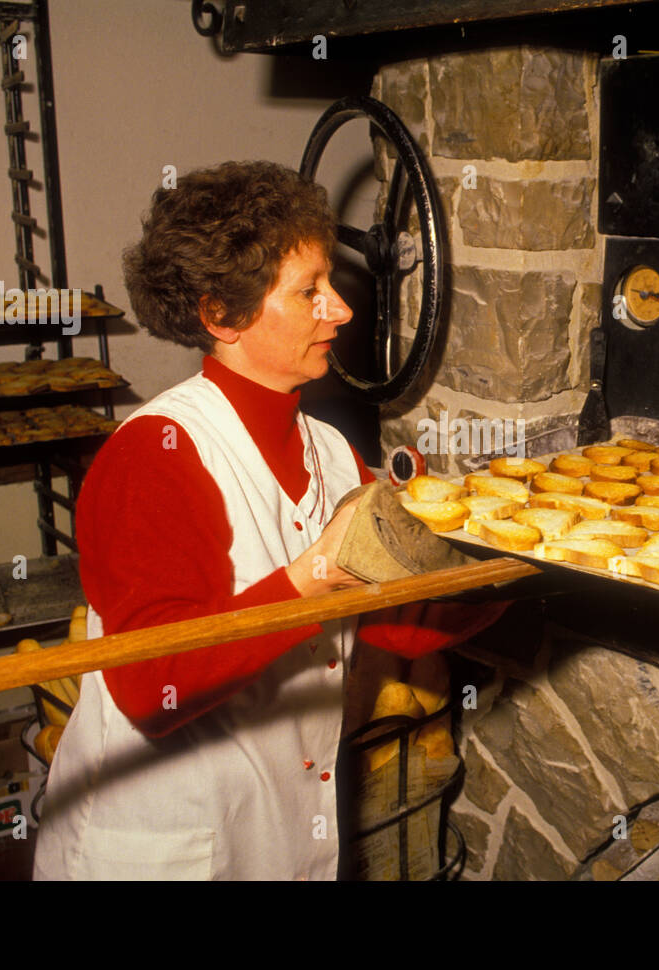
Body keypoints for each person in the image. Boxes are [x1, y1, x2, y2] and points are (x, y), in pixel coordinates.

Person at [33, 160, 501, 880]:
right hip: (166, 844)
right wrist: (314, 580)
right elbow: (151, 687)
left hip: (282, 828)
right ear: (221, 314)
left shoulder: (335, 453)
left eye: (330, 287)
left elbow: (394, 626)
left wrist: (519, 565)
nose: (339, 310)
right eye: (309, 292)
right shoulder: (154, 457)